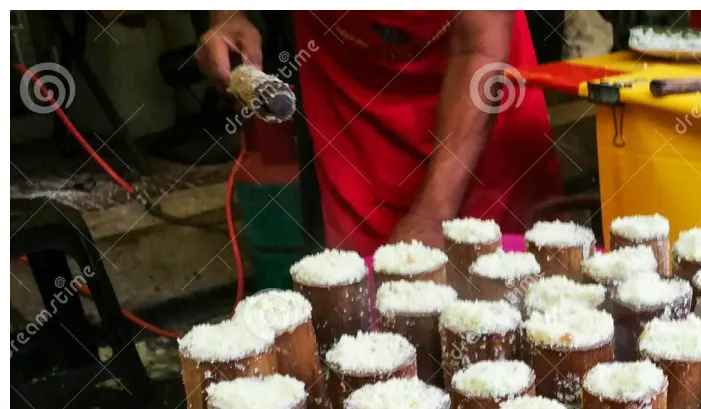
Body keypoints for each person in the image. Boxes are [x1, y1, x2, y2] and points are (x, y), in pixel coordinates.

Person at [196, 12, 562, 254]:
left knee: (492, 291)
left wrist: (432, 216)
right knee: (361, 304)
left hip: (475, 86)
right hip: (346, 84)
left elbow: (478, 50)